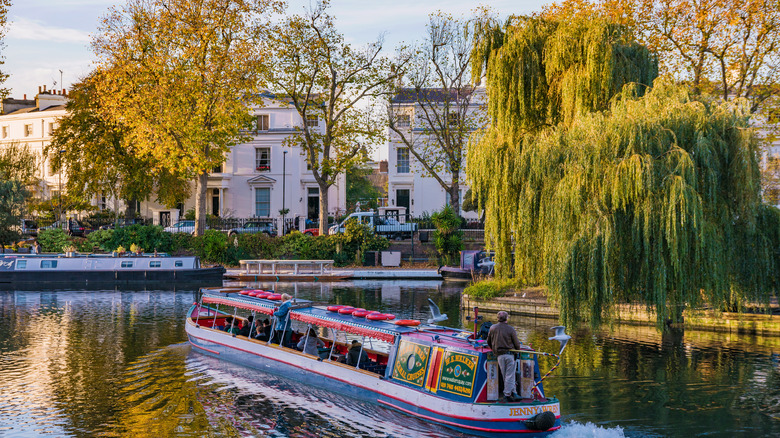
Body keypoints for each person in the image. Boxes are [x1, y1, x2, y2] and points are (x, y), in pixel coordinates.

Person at [487, 311, 522, 402]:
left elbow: (488, 341)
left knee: (506, 375)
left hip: (499, 355)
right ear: (507, 318)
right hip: (509, 354)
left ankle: (513, 393)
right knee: (510, 375)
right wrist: (518, 351)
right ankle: (507, 394)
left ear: (497, 318)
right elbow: (516, 343)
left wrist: (493, 349)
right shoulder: (510, 329)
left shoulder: (492, 328)